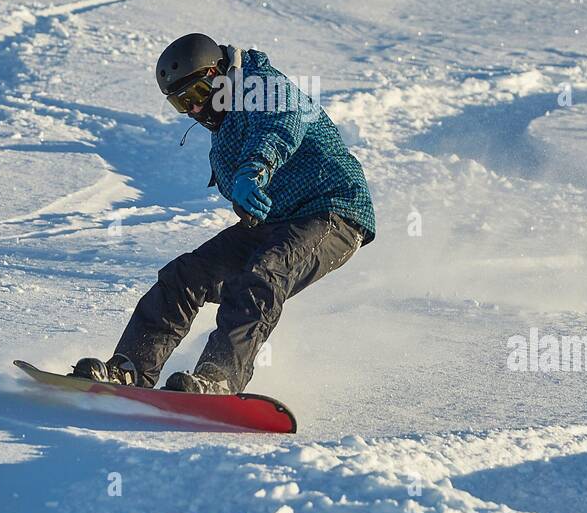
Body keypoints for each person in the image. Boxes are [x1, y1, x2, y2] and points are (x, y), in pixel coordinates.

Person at [71, 33, 375, 394]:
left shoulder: (264, 86)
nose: (194, 110)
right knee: (185, 275)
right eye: (181, 104)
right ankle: (130, 368)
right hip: (276, 221)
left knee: (263, 273)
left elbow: (282, 124)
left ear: (218, 74)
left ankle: (219, 378)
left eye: (198, 94)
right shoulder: (225, 126)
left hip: (333, 212)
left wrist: (254, 169)